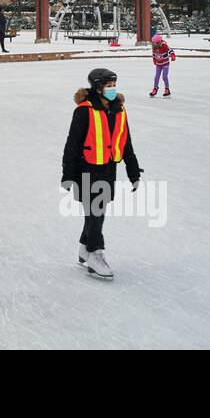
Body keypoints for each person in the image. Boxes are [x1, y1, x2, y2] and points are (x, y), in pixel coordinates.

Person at [60, 67, 143, 280]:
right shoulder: (84, 111)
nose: (113, 90)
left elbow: (126, 143)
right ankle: (95, 252)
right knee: (95, 210)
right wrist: (68, 174)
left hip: (107, 168)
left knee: (98, 210)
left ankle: (84, 248)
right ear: (97, 88)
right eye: (108, 86)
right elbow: (72, 145)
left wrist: (133, 172)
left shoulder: (119, 110)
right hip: (85, 167)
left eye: (114, 86)